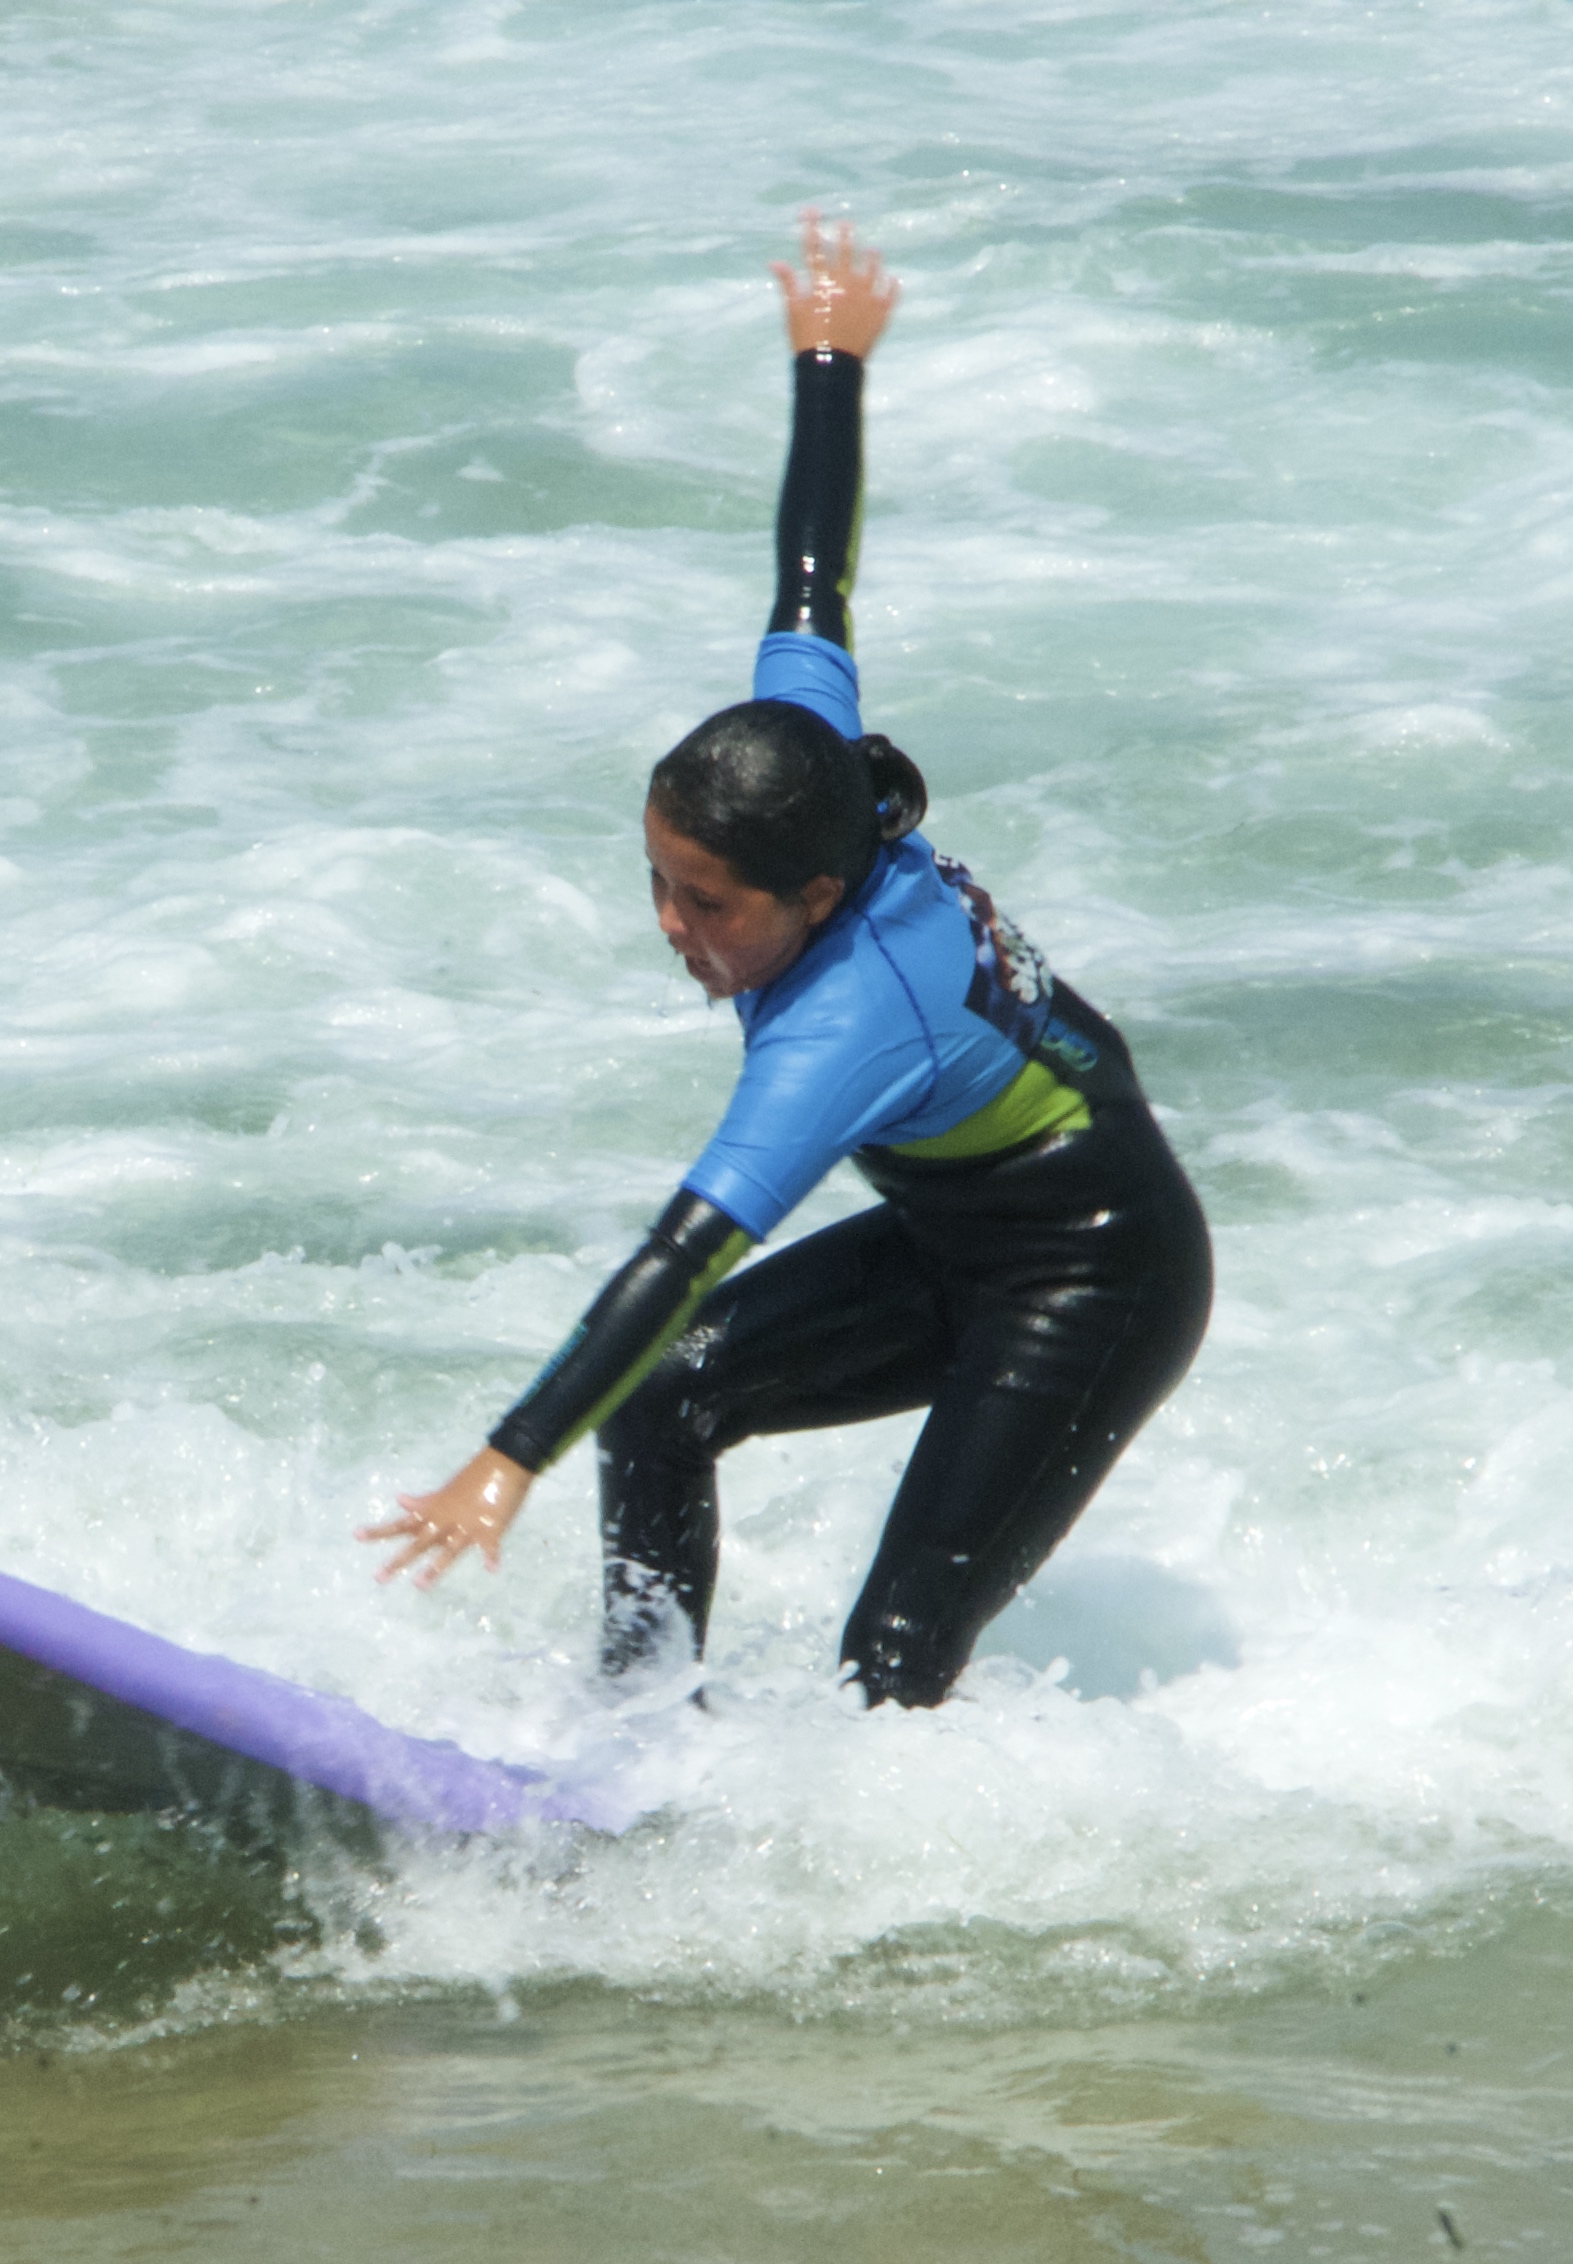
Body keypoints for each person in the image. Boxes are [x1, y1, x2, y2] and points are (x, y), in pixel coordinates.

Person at [360, 215, 1214, 1710]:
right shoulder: (806, 762)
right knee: (667, 1400)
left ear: (815, 894)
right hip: (951, 1234)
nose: (674, 927)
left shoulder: (849, 1018)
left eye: (709, 904)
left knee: (892, 1661)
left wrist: (505, 1463)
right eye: (657, 881)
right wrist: (830, 358)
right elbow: (813, 578)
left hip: (1095, 1275)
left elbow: (681, 1251)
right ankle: (639, 1730)